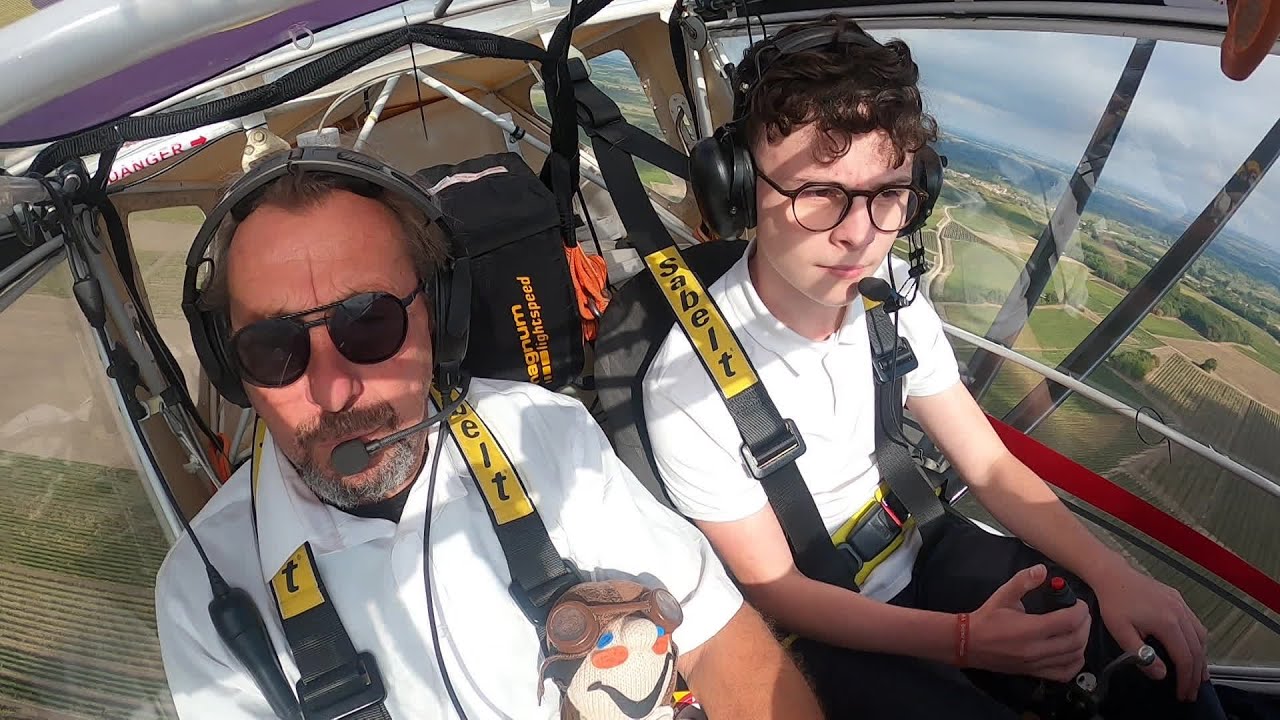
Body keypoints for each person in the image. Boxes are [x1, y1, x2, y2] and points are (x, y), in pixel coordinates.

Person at [641, 17, 1222, 720]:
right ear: (738, 188)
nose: (861, 233)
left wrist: (1116, 575)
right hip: (823, 626)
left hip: (928, 549)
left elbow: (989, 465)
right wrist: (967, 641)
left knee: (1147, 669)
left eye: (889, 193)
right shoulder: (686, 388)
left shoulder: (887, 296)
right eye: (818, 191)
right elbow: (779, 591)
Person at [153, 149, 823, 719]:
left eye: (369, 325)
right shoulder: (207, 591)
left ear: (440, 319)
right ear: (230, 367)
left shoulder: (545, 435)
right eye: (274, 349)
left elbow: (716, 642)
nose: (334, 392)